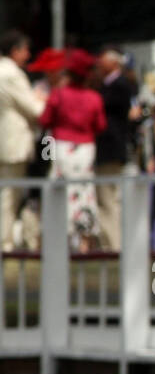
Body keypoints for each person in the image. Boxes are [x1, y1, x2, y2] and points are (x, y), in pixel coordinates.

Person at [39, 48, 105, 250]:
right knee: (84, 192)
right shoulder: (94, 98)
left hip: (62, 147)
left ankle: (59, 242)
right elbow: (100, 125)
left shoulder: (59, 94)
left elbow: (45, 119)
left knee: (59, 191)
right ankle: (84, 243)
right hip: (85, 149)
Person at [0, 29, 43, 252]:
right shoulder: (12, 74)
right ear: (14, 50)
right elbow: (34, 109)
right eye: (25, 50)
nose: (28, 54)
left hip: (5, 142)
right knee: (9, 196)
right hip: (12, 143)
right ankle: (4, 244)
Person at [93, 48, 139, 250]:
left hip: (110, 149)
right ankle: (112, 243)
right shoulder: (110, 84)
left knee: (108, 200)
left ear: (113, 63)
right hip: (111, 149)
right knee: (110, 200)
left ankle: (112, 246)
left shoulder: (119, 85)